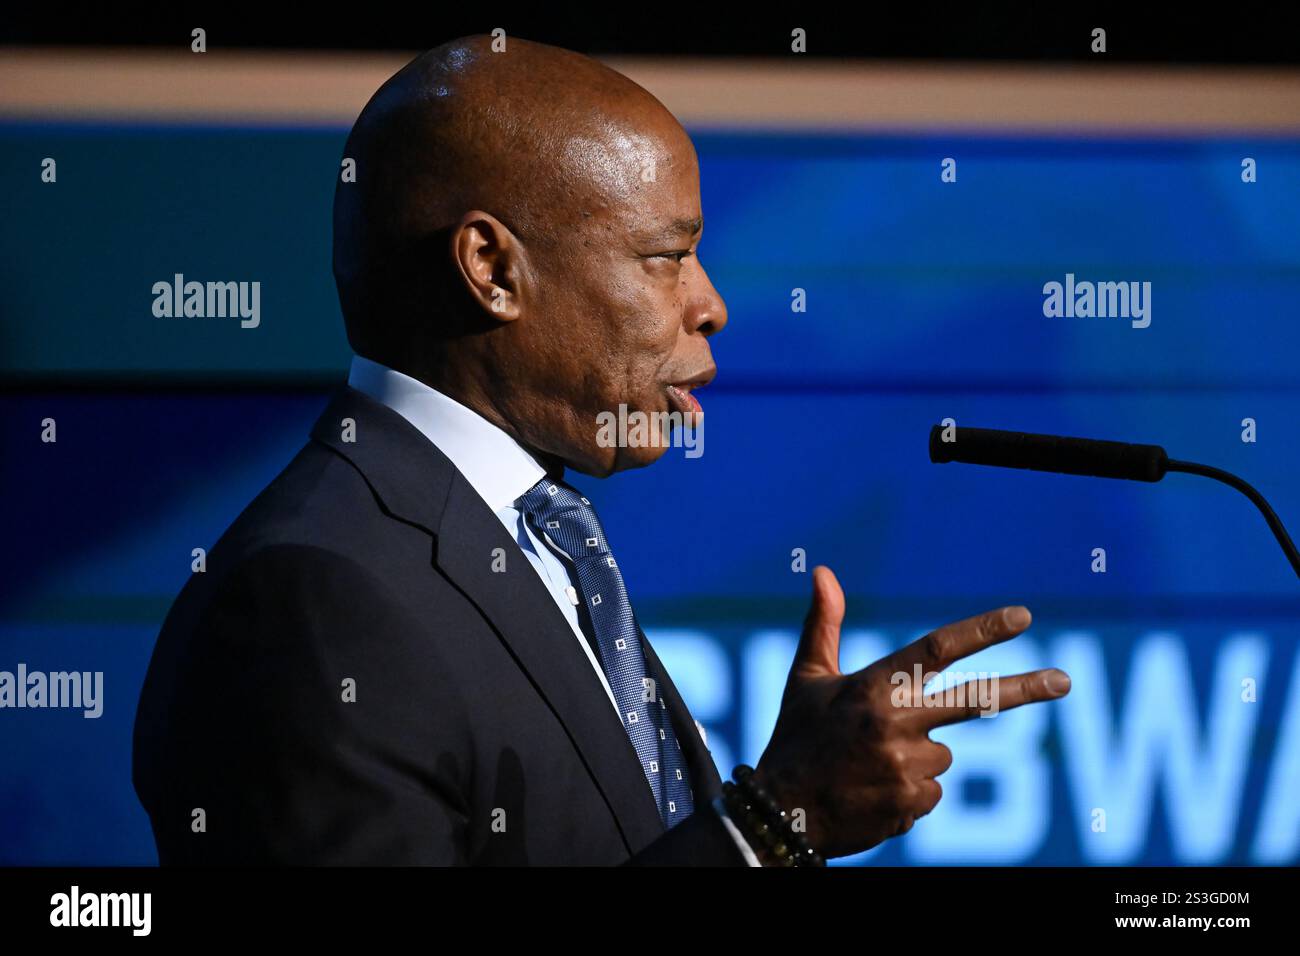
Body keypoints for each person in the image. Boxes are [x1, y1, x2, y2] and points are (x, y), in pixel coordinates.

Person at [132, 34, 1071, 865]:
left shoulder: (545, 538)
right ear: (494, 270)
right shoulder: (311, 600)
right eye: (667, 256)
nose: (711, 305)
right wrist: (774, 824)